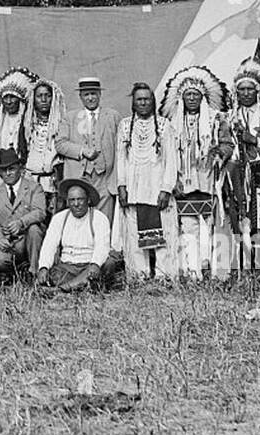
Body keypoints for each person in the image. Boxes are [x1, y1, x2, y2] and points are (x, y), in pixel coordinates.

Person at [157, 66, 232, 280]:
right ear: (182, 98)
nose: (192, 98)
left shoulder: (216, 120)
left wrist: (217, 154)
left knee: (210, 226)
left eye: (195, 95)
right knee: (188, 227)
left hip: (208, 180)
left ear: (203, 97)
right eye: (188, 95)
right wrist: (174, 181)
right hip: (185, 183)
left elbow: (228, 144)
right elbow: (168, 156)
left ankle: (213, 270)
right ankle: (192, 272)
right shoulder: (172, 125)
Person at [221, 57, 260, 277]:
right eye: (241, 89)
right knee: (239, 217)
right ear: (236, 92)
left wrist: (253, 140)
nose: (246, 93)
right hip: (236, 174)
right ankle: (242, 268)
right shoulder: (228, 116)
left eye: (250, 89)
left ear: (257, 91)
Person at [115, 82, 166, 282]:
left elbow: (171, 159)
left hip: (156, 186)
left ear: (153, 101)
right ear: (133, 103)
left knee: (162, 235)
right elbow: (121, 157)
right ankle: (139, 275)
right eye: (139, 99)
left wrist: (166, 188)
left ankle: (163, 276)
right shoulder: (125, 126)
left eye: (147, 99)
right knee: (135, 233)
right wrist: (121, 185)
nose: (143, 102)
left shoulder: (163, 125)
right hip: (133, 187)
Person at [37, 178, 121, 292]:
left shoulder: (99, 218)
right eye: (72, 200)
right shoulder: (59, 218)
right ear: (67, 202)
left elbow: (102, 246)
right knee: (52, 276)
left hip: (90, 265)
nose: (76, 204)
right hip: (68, 266)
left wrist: (95, 264)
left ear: (88, 200)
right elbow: (49, 244)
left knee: (107, 265)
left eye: (80, 199)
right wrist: (43, 267)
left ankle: (61, 290)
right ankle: (77, 286)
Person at [0, 147, 47, 284]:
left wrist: (21, 222)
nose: (8, 173)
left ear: (20, 169)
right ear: (0, 173)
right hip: (9, 242)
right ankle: (16, 275)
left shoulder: (34, 188)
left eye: (12, 169)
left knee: (34, 230)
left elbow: (40, 212)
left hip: (28, 239)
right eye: (4, 170)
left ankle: (34, 272)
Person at [58, 76, 120, 224]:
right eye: (86, 94)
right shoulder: (70, 118)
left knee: (104, 221)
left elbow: (121, 148)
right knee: (80, 220)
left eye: (93, 93)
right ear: (80, 97)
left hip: (105, 178)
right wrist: (82, 151)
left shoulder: (113, 116)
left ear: (100, 94)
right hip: (79, 176)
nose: (90, 98)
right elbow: (60, 144)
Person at [25, 77, 65, 216]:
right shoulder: (26, 125)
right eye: (39, 96)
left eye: (47, 96)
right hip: (31, 181)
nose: (43, 100)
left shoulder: (61, 124)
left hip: (53, 183)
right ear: (33, 99)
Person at [0, 67, 33, 166]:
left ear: (20, 100)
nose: (9, 101)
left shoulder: (28, 124)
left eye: (12, 97)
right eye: (5, 97)